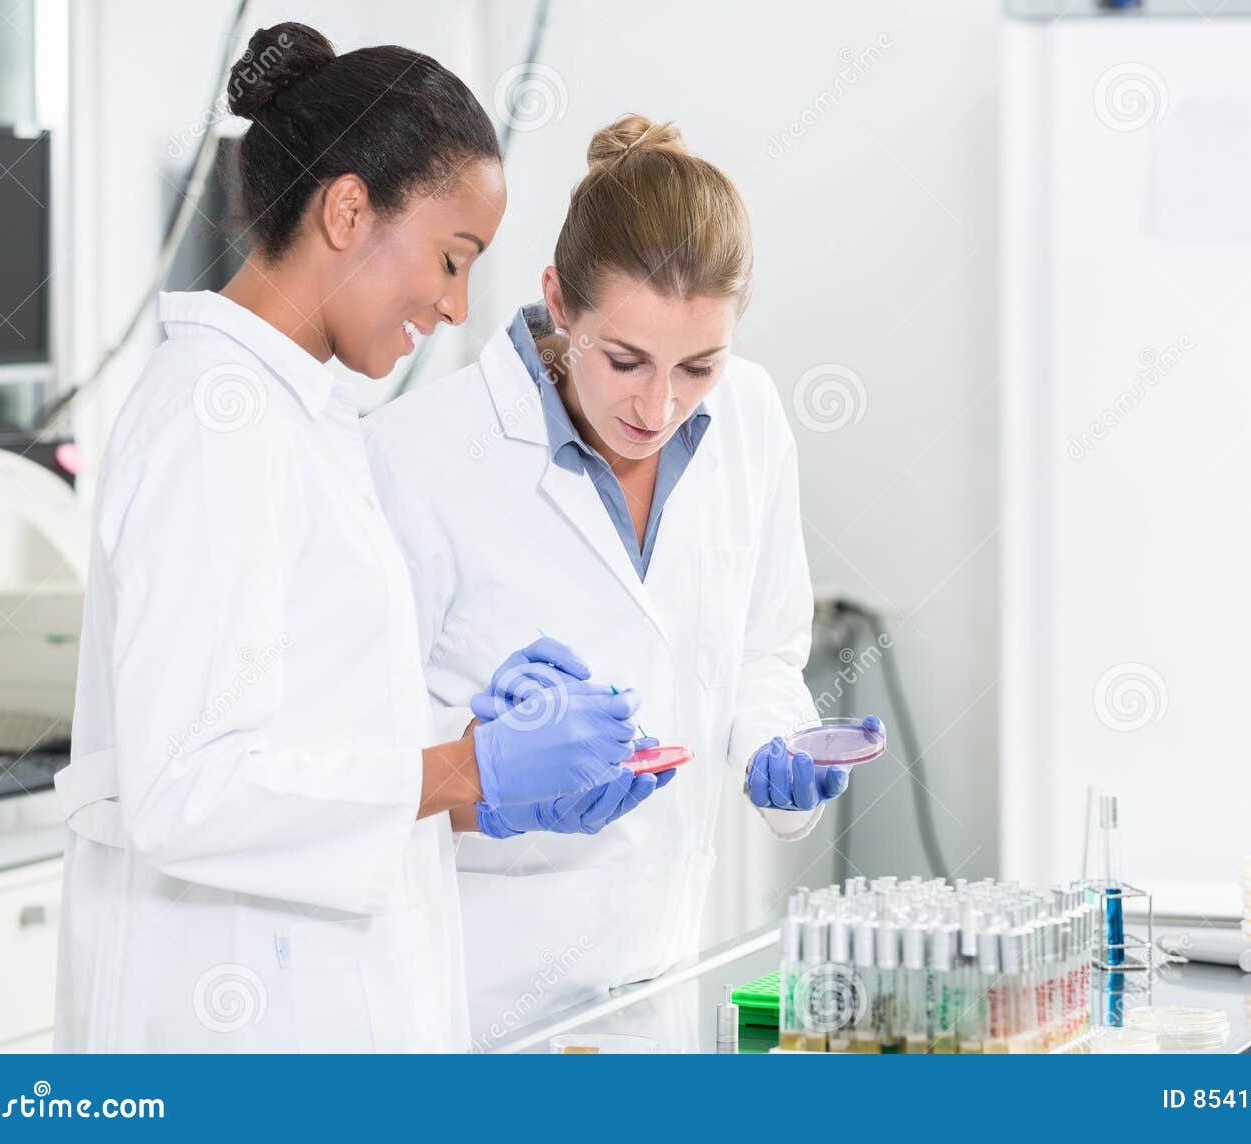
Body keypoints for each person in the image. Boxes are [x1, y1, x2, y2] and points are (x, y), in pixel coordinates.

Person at [52, 24, 656, 1052]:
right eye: (451, 257)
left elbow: (299, 725)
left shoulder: (301, 417)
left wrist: (477, 748)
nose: (456, 303)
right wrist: (465, 768)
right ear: (347, 209)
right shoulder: (216, 420)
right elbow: (184, 788)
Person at [365, 114, 881, 1036]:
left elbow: (762, 650)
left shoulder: (751, 419)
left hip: (659, 983)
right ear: (559, 302)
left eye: (699, 365)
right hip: (469, 1008)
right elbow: (347, 771)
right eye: (625, 358)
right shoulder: (414, 459)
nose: (660, 405)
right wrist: (493, 764)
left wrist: (778, 748)